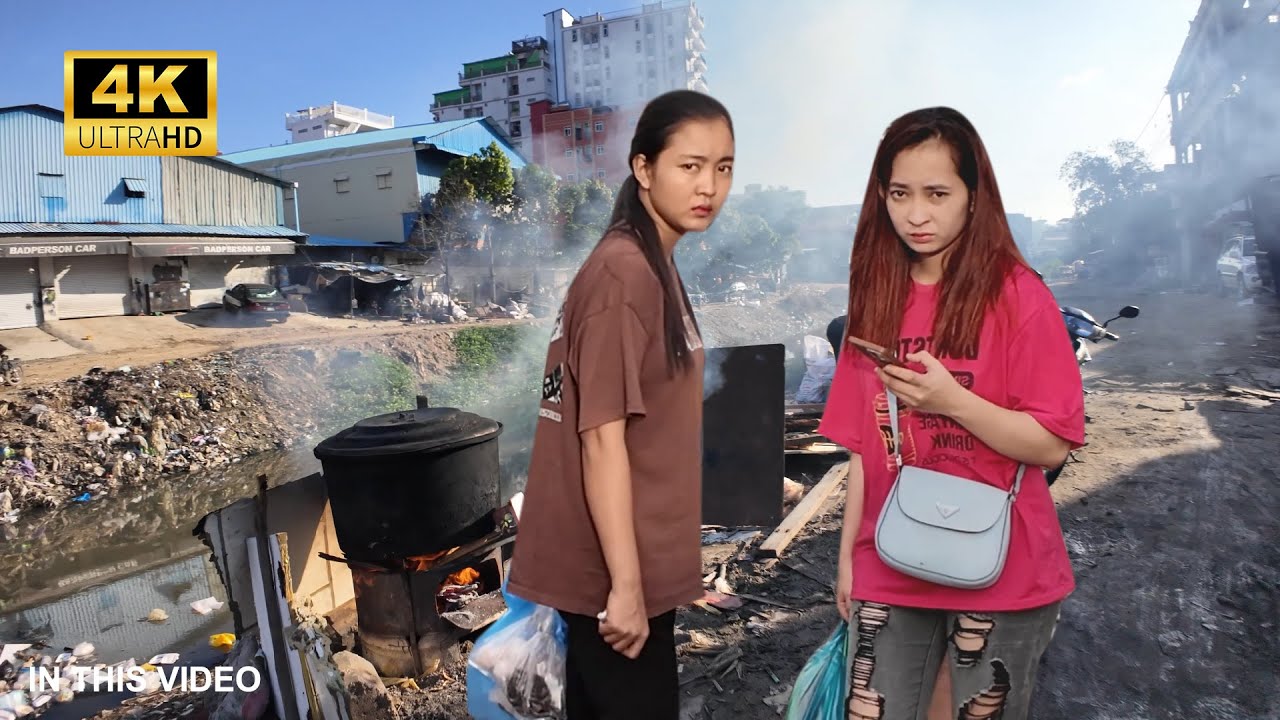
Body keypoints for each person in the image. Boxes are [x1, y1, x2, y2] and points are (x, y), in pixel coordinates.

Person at [819, 107, 1084, 720]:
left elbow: (1050, 446)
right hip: (891, 559)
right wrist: (848, 561)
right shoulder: (876, 301)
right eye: (900, 193)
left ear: (973, 197)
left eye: (938, 193)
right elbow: (867, 447)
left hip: (1004, 565)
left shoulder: (1019, 296)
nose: (916, 214)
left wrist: (951, 402)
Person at [506, 89, 735, 720]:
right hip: (608, 575)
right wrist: (626, 588)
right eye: (689, 165)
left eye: (723, 167)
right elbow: (599, 437)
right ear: (643, 169)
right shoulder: (622, 274)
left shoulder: (653, 262)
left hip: (631, 563)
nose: (709, 185)